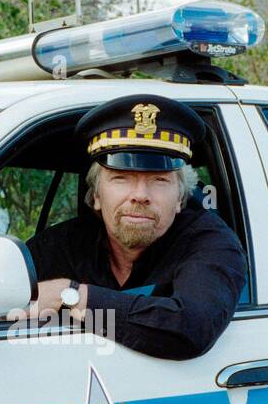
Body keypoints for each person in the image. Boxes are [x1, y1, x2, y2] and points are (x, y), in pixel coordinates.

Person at [22, 94, 247, 361]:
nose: (140, 195)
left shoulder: (211, 243)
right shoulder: (59, 247)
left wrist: (71, 295)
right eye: (121, 178)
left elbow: (190, 327)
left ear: (180, 199)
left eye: (159, 180)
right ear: (95, 194)